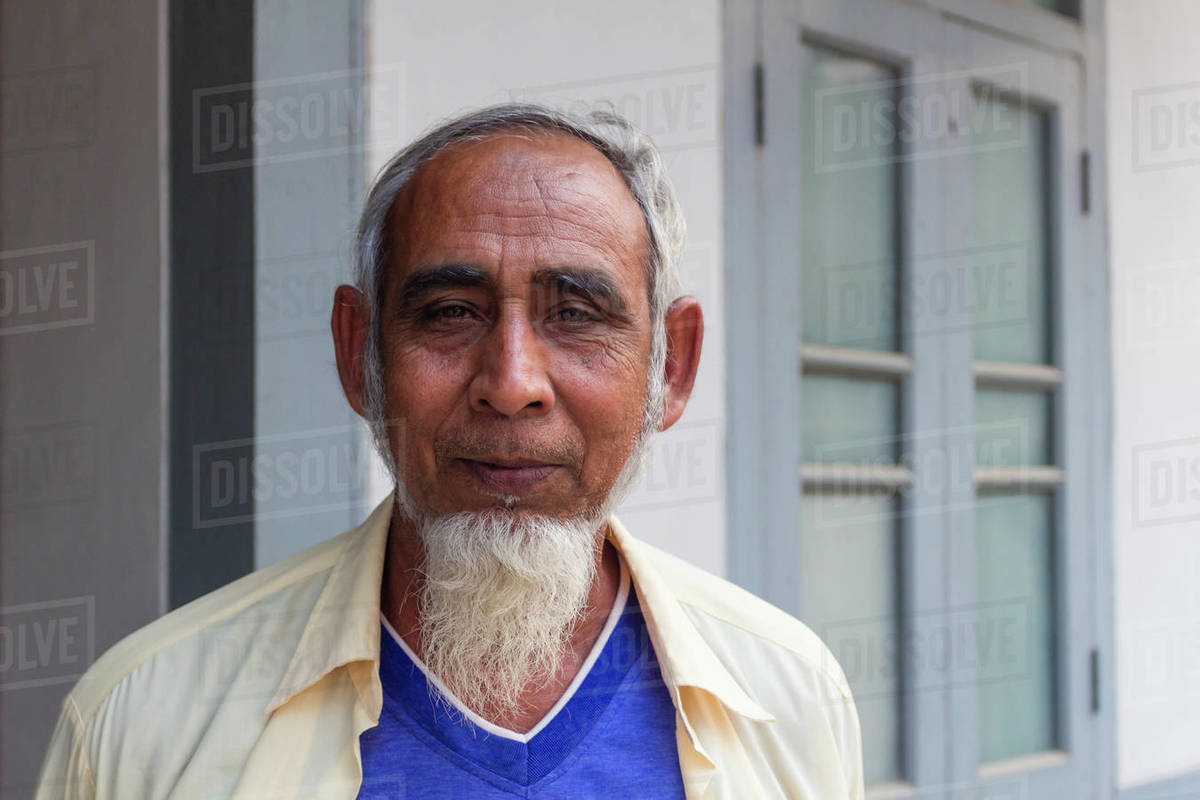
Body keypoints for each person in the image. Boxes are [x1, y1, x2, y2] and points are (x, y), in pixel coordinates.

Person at [34, 104, 864, 799]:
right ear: (359, 353)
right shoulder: (143, 723)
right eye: (448, 313)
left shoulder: (788, 696)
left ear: (670, 368)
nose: (510, 383)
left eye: (575, 314)